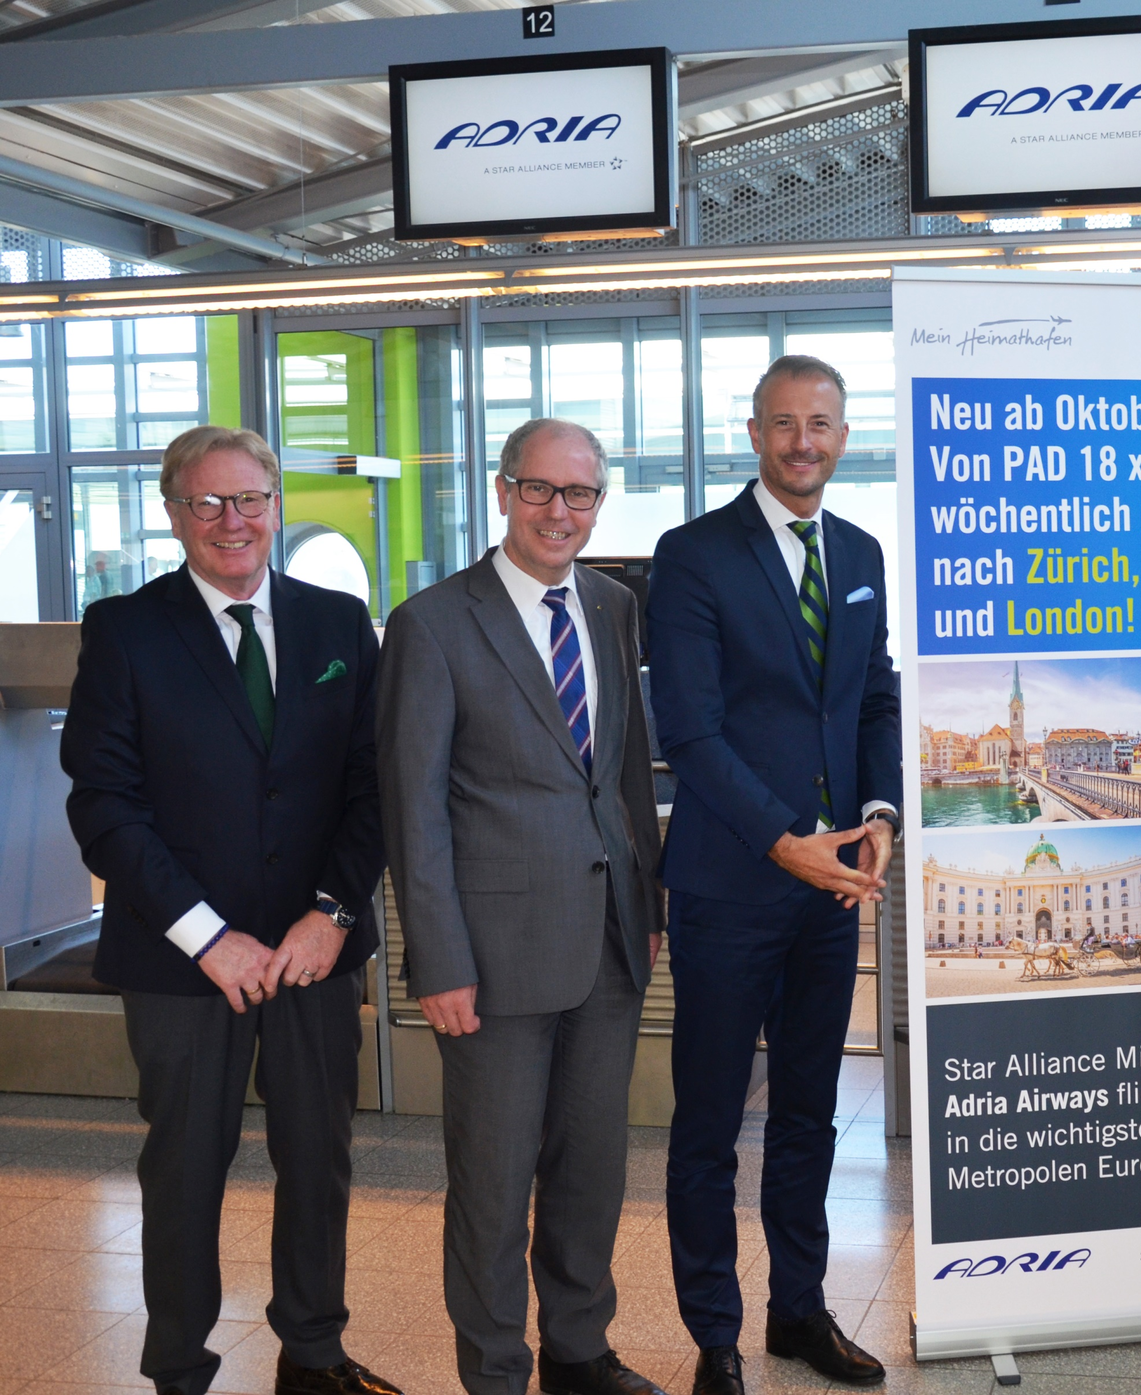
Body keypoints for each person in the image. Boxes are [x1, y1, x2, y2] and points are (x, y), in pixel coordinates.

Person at [62, 426, 397, 1395]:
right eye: (207, 504)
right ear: (174, 516)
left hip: (311, 953)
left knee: (318, 1159)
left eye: (249, 500)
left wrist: (332, 912)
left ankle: (314, 1354)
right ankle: (177, 1368)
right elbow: (104, 806)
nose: (232, 521)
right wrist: (209, 937)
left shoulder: (339, 625)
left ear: (277, 504)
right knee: (184, 1170)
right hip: (182, 963)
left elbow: (372, 789)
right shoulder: (125, 629)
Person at [377, 419, 666, 1395]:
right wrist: (438, 957)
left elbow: (622, 766)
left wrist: (650, 899)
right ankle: (496, 1373)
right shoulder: (434, 623)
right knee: (494, 1187)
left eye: (578, 494)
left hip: (611, 939)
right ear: (502, 494)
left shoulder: (616, 606)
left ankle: (579, 1354)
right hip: (493, 958)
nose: (559, 511)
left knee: (591, 1174)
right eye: (538, 490)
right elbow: (413, 808)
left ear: (599, 503)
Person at [647, 355, 902, 1395]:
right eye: (786, 424)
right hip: (728, 887)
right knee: (709, 1121)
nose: (805, 442)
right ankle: (714, 1333)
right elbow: (690, 732)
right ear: (754, 432)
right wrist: (784, 839)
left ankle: (798, 1311)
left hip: (831, 891)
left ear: (845, 436)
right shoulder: (694, 554)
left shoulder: (861, 549)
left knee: (807, 1112)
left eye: (824, 424)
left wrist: (878, 814)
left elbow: (872, 697)